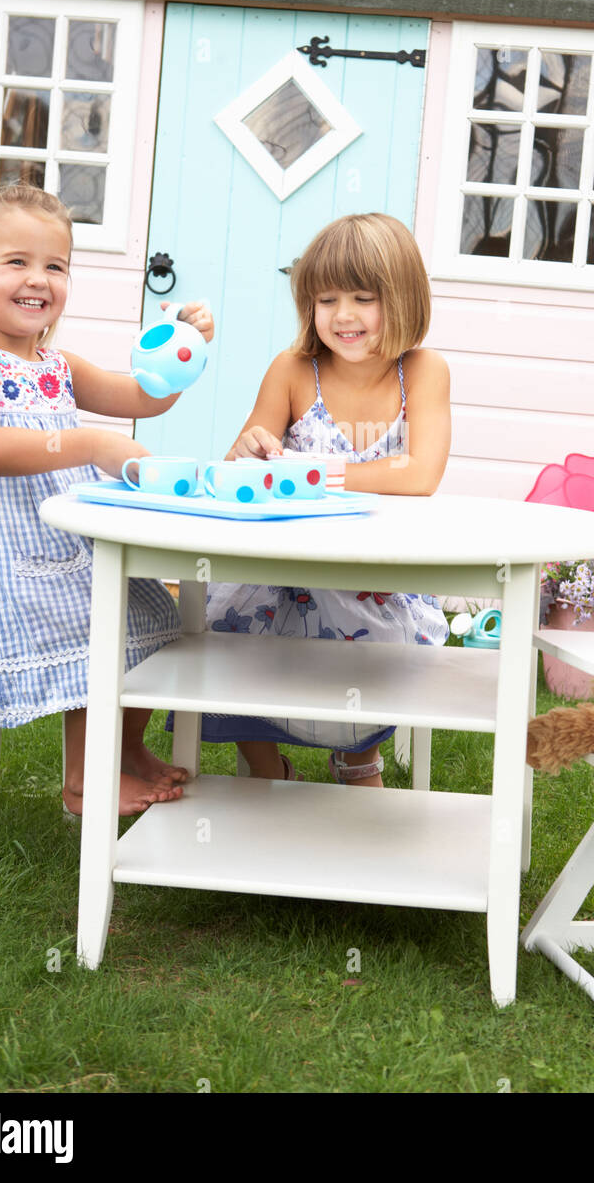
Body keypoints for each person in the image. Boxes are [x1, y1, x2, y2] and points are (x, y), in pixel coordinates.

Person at [0, 184, 214, 815]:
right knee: (96, 623)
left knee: (155, 616)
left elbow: (143, 396)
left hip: (60, 550)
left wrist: (184, 353)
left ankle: (125, 750)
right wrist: (87, 444)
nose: (39, 280)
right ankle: (84, 781)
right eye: (17, 262)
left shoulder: (56, 364)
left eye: (55, 266)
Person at [193, 212, 451, 788]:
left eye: (364, 297)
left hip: (376, 575)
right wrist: (249, 451)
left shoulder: (423, 372)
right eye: (327, 298)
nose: (345, 316)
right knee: (222, 624)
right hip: (281, 570)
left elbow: (420, 474)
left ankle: (357, 756)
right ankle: (264, 766)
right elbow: (247, 463)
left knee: (372, 642)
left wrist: (314, 471)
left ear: (403, 297)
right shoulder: (292, 371)